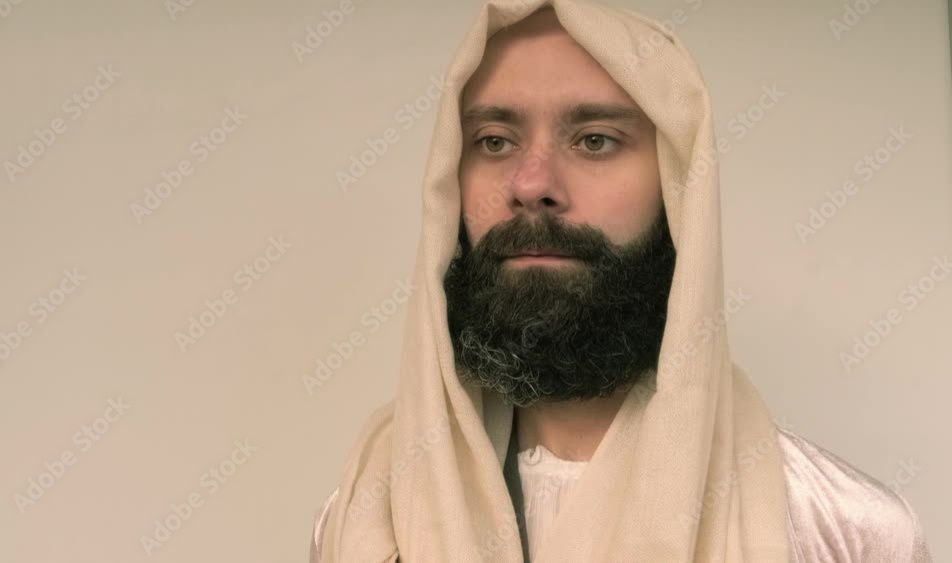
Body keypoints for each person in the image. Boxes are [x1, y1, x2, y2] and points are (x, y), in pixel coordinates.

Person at [309, 1, 933, 561]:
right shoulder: (367, 519)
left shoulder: (849, 535)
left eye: (595, 140)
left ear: (677, 187)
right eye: (494, 141)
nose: (531, 184)